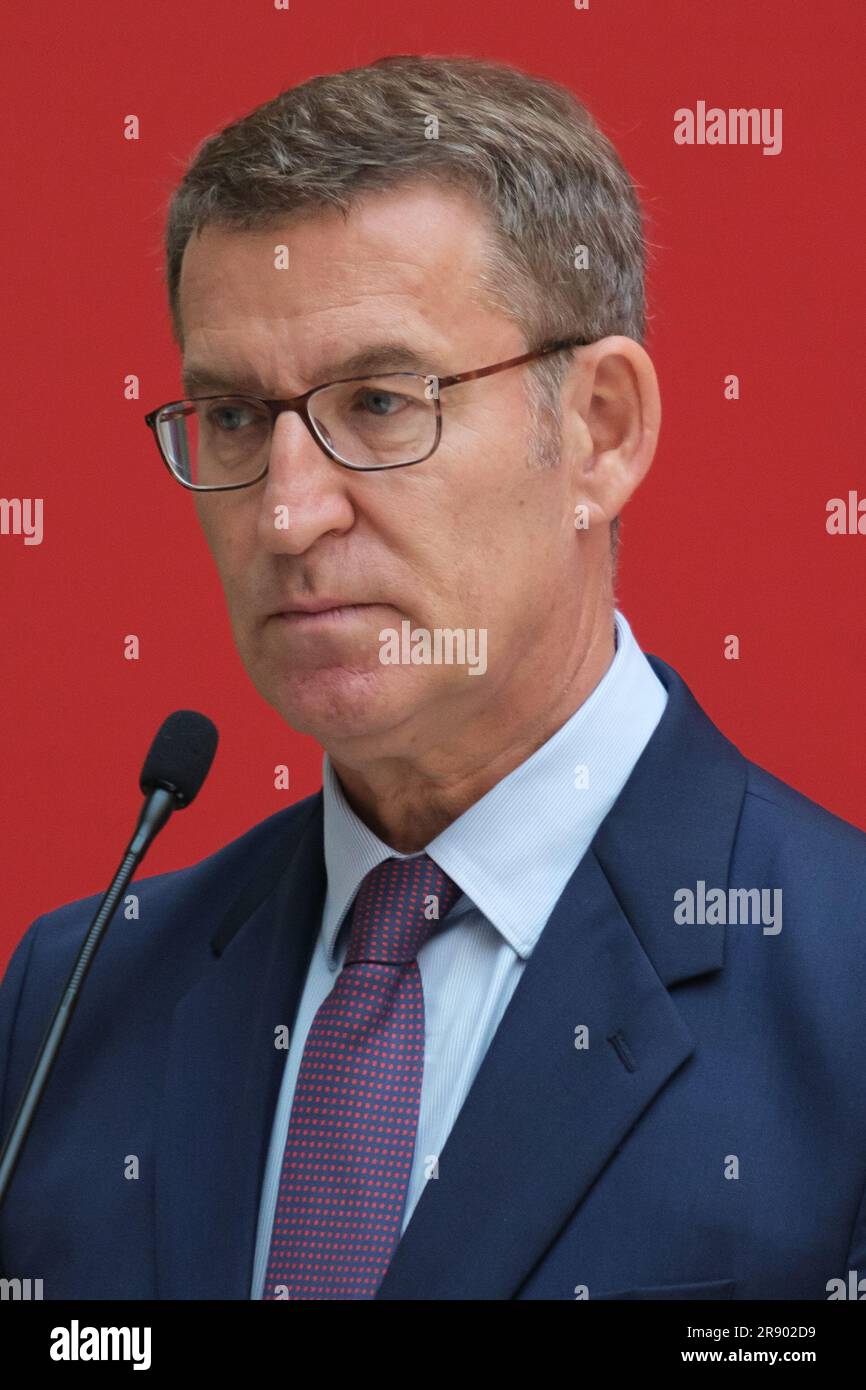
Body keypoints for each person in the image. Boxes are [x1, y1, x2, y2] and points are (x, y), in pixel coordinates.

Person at [1, 53, 865, 1302]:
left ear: (599, 429)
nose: (288, 515)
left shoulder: (839, 982)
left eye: (378, 401)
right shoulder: (76, 994)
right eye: (234, 416)